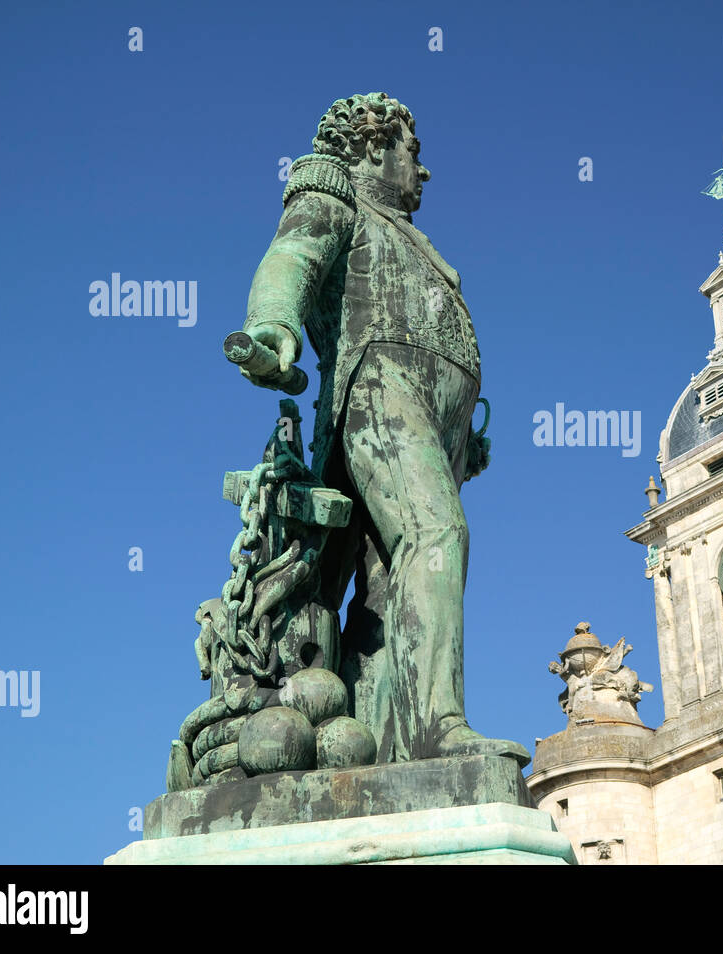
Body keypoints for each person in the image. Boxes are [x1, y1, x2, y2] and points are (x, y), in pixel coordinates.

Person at [240, 92, 528, 767]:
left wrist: (462, 439)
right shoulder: (333, 195)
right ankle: (436, 727)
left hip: (418, 417)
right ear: (373, 144)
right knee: (436, 534)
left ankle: (383, 747)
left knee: (382, 592)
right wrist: (273, 324)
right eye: (413, 152)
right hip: (375, 395)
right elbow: (292, 258)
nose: (421, 172)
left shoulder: (406, 233)